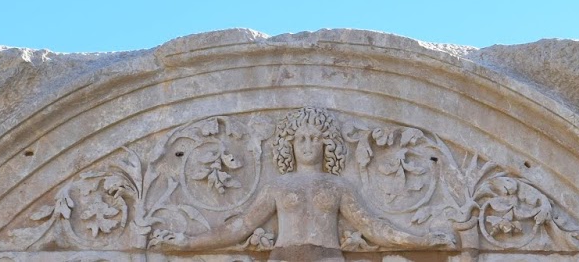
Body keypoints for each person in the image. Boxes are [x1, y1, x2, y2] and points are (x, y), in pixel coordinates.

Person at [152, 108, 455, 261]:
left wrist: (421, 241)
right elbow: (240, 226)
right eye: (301, 138)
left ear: (328, 145)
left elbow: (374, 228)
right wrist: (188, 243)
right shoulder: (278, 186)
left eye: (315, 138)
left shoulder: (337, 187)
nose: (308, 144)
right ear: (289, 144)